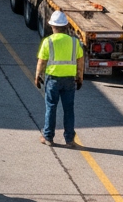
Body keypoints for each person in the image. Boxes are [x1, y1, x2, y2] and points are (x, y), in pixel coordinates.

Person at [35, 10, 85, 146]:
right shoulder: (75, 42)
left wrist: (37, 76)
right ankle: (69, 139)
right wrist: (80, 77)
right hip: (69, 80)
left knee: (51, 107)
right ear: (66, 26)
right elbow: (80, 61)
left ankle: (48, 137)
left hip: (53, 80)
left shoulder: (48, 41)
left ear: (52, 26)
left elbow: (41, 61)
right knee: (69, 109)